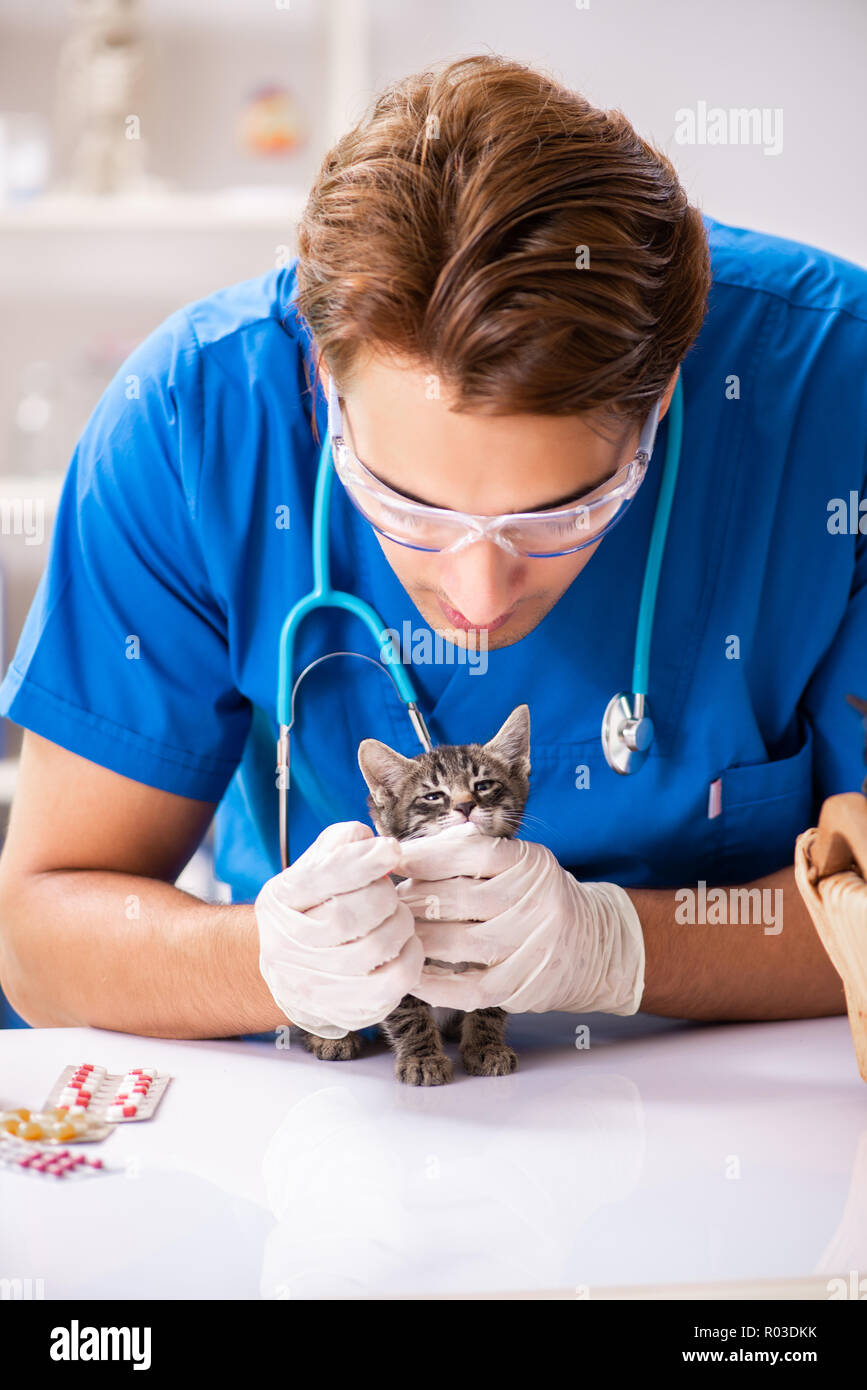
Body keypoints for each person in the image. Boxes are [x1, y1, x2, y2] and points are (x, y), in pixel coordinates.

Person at [0, 54, 863, 1038]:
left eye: (560, 516)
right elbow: (38, 934)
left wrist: (619, 946)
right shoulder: (192, 423)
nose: (480, 594)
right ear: (324, 382)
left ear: (659, 403)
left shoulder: (836, 394)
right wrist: (268, 962)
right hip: (334, 1098)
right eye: (407, 506)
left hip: (755, 1104)